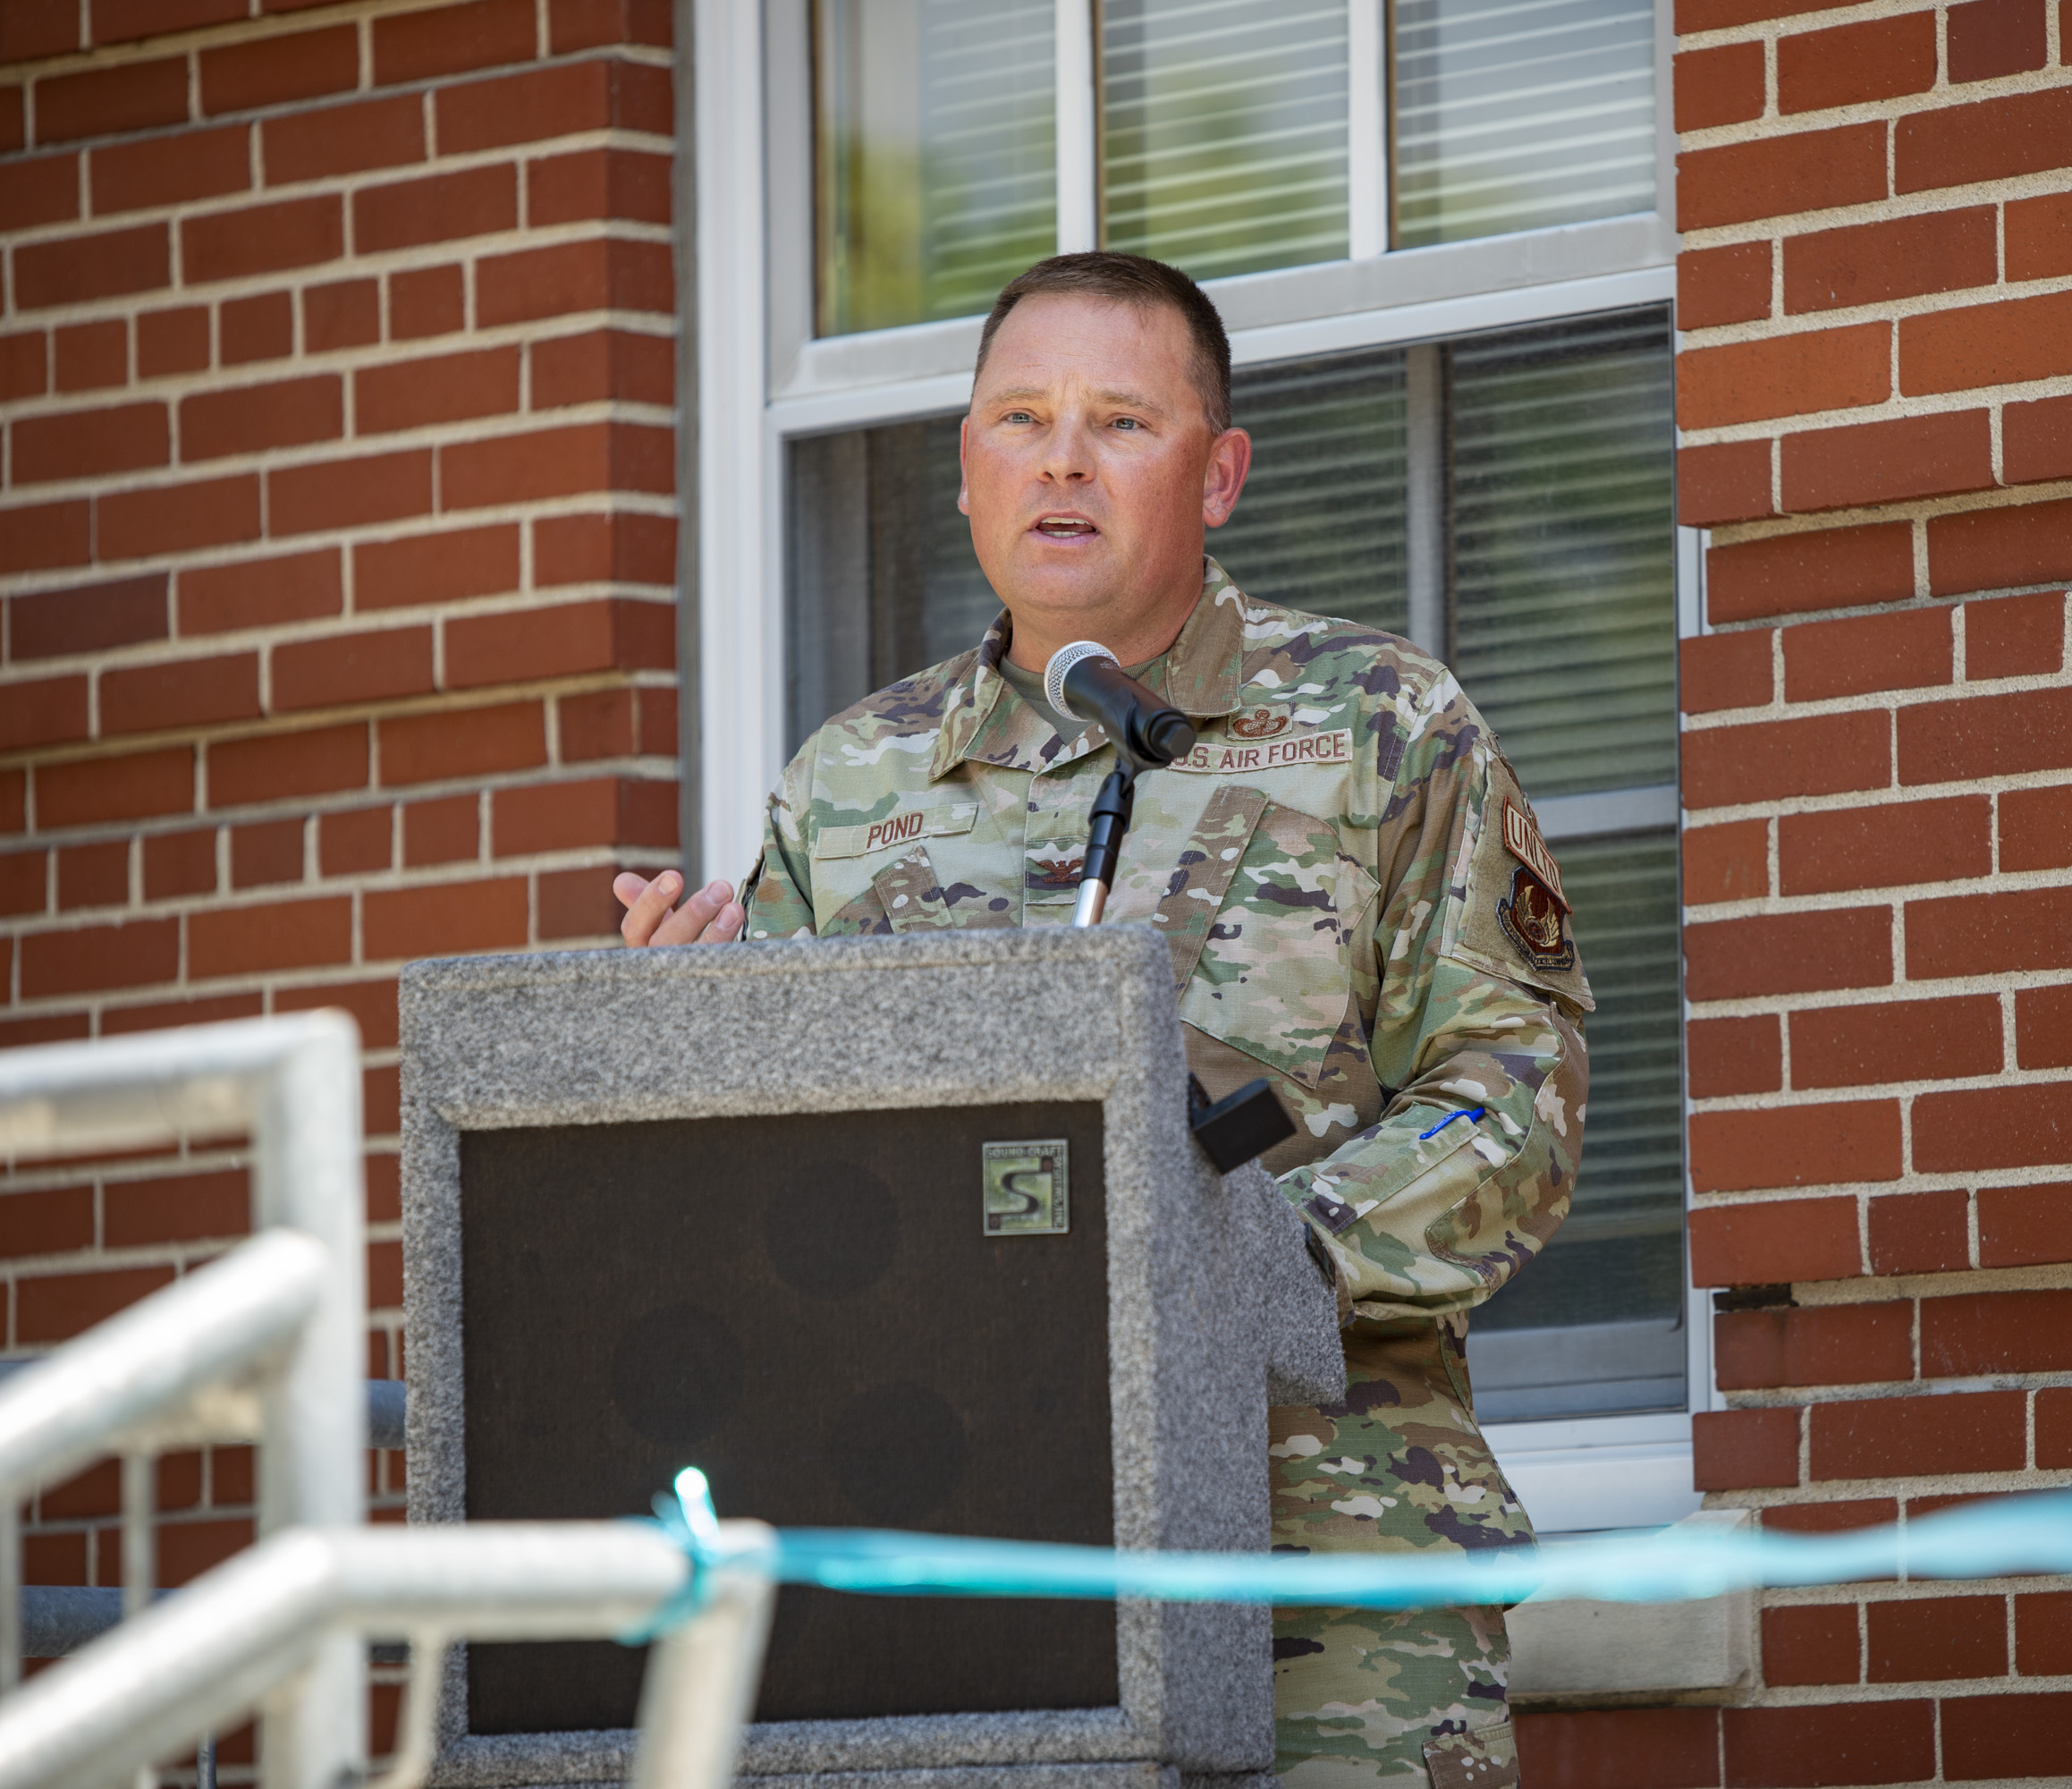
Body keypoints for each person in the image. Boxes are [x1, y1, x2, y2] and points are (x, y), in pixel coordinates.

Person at [615, 251, 1588, 1789]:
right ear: (966, 470)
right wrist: (674, 1046)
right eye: (1021, 418)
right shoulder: (851, 783)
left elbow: (1514, 1095)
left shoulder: (1380, 726)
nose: (1061, 459)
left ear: (1220, 475)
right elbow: (793, 1194)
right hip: (955, 1566)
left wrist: (1262, 1259)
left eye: (1122, 422)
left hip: (1317, 1570)